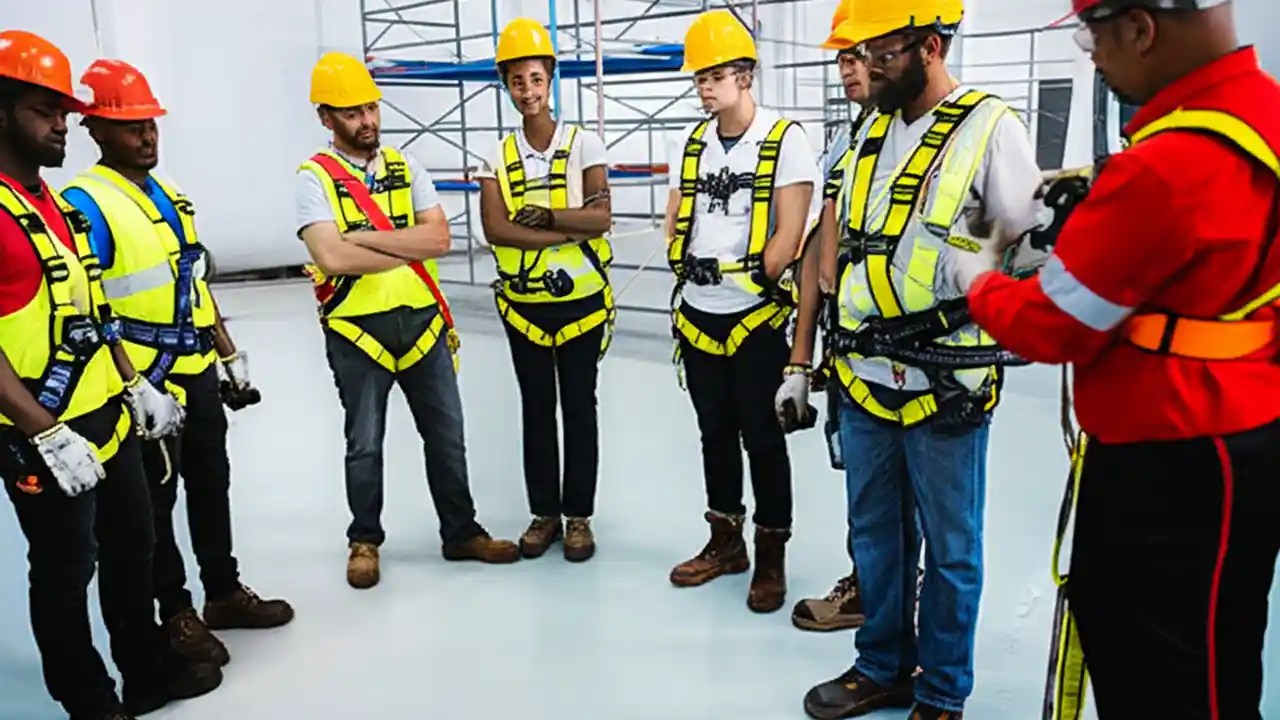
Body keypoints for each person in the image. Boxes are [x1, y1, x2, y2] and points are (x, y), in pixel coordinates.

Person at [966, 1, 1280, 718]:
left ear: (1140, 27)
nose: (1092, 56)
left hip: (1166, 459)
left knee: (1149, 663)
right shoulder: (1264, 114)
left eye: (1094, 36)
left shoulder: (1166, 167)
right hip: (1247, 435)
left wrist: (977, 279)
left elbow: (1053, 327)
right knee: (1220, 648)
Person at [800, 0, 1043, 717]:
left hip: (949, 382)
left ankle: (941, 690)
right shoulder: (869, 131)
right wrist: (804, 356)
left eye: (881, 53)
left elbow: (1026, 251)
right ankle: (881, 663)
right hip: (865, 374)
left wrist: (974, 266)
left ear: (930, 46)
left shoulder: (991, 130)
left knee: (951, 549)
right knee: (875, 536)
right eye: (862, 54)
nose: (865, 68)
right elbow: (835, 236)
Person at [0, 29, 221, 719]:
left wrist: (135, 383)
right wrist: (45, 433)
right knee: (66, 573)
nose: (63, 125)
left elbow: (94, 314)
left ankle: (145, 671)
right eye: (44, 110)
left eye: (65, 111)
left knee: (135, 547)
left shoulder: (55, 209)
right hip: (42, 431)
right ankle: (90, 699)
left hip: (109, 416)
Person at [61, 58, 294, 669]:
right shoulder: (87, 203)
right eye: (130, 125)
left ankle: (223, 592)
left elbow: (191, 279)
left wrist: (227, 353)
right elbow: (93, 304)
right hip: (144, 383)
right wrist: (135, 386)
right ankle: (177, 612)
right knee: (155, 504)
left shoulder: (165, 195)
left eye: (151, 124)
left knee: (211, 483)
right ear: (96, 131)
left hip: (194, 370)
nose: (146, 136)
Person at [295, 51, 520, 589]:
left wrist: (364, 237)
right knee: (364, 444)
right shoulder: (314, 179)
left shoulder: (405, 166)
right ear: (327, 118)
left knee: (447, 436)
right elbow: (333, 258)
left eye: (371, 107)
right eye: (352, 113)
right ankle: (364, 540)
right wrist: (405, 245)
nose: (367, 120)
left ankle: (461, 531)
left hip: (422, 325)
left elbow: (439, 240)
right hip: (356, 331)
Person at [664, 9, 819, 614]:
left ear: (746, 75)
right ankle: (726, 540)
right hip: (699, 312)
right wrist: (688, 258)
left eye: (715, 75)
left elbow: (793, 227)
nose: (704, 86)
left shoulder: (786, 140)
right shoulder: (692, 141)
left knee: (763, 437)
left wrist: (759, 270)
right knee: (713, 432)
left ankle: (771, 552)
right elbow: (679, 213)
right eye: (698, 77)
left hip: (754, 315)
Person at [474, 18, 615, 562]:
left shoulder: (585, 143)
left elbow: (602, 218)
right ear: (506, 85)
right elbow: (495, 228)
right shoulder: (495, 154)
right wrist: (566, 227)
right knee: (536, 407)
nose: (528, 91)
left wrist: (551, 217)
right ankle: (543, 514)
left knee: (579, 405)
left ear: (550, 78)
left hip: (580, 303)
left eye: (535, 79)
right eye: (517, 81)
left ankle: (578, 516)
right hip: (523, 304)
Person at [782, 0, 883, 635]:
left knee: (909, 492)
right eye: (842, 59)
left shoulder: (923, 139)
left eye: (858, 57)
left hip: (907, 348)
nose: (848, 70)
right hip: (844, 345)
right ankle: (871, 583)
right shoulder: (843, 144)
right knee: (863, 481)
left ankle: (895, 590)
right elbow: (820, 252)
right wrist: (800, 356)